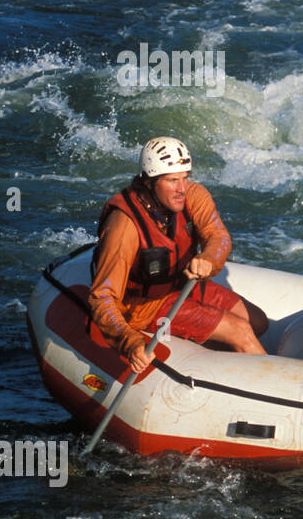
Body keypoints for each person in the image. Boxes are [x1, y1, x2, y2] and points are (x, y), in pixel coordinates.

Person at [89, 136, 268, 374]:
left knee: (258, 322)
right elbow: (102, 297)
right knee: (240, 331)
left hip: (183, 287)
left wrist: (209, 259)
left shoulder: (193, 195)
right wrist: (129, 342)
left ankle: (220, 359)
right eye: (172, 180)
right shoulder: (124, 227)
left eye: (185, 178)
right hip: (144, 307)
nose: (182, 189)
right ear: (150, 182)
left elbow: (219, 237)